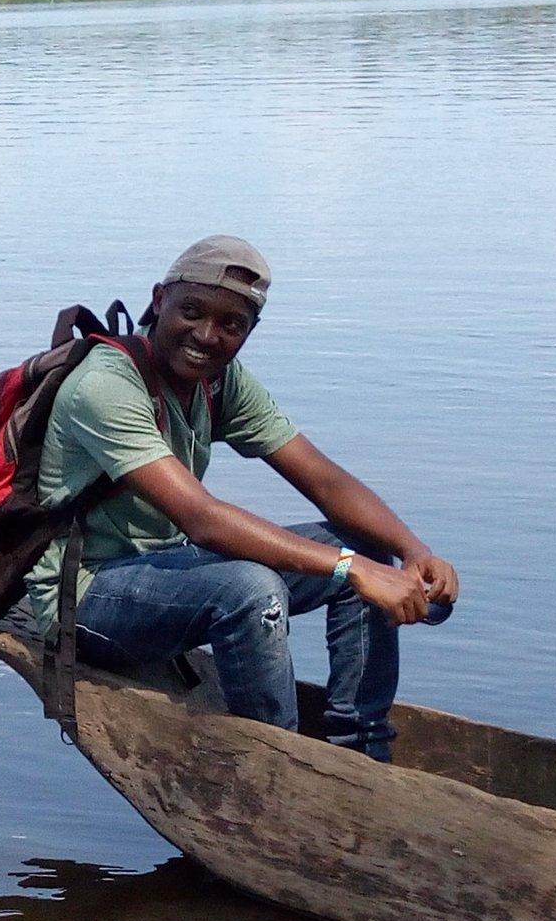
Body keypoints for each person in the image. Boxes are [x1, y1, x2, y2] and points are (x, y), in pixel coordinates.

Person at [26, 236, 457, 758]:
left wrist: (413, 551)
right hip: (87, 596)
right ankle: (278, 764)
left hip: (165, 570)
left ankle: (362, 753)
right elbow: (202, 519)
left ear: (249, 330)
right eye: (191, 311)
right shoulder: (106, 385)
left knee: (363, 546)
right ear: (159, 300)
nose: (206, 336)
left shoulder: (218, 381)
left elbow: (322, 479)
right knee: (252, 590)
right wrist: (349, 569)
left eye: (231, 325)